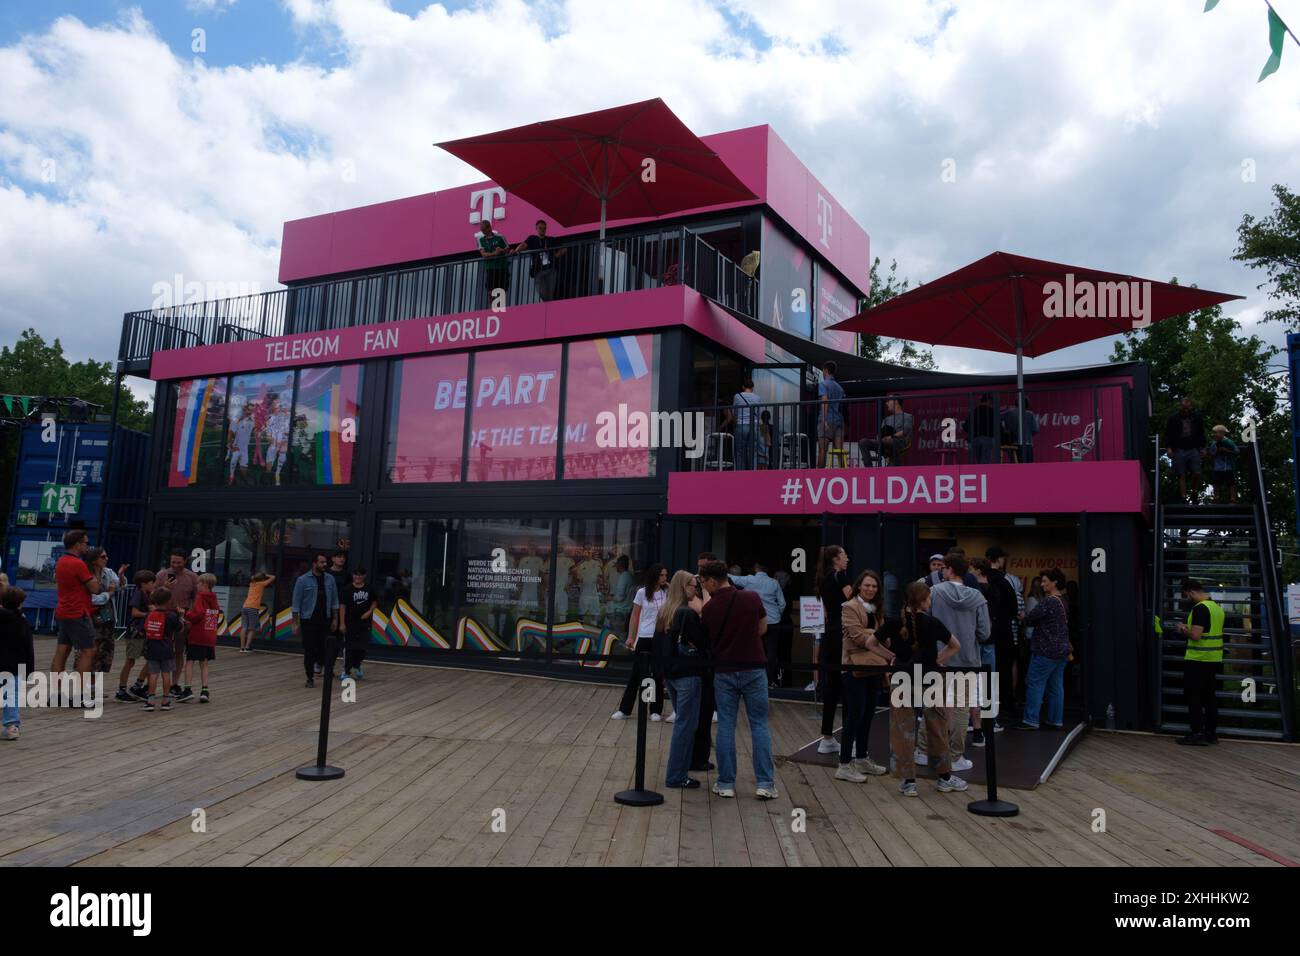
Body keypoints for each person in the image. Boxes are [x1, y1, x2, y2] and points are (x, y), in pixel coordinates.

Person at [873, 581, 966, 795]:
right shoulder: (933, 623)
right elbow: (956, 645)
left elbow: (871, 643)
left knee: (902, 729)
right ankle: (944, 778)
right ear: (923, 601)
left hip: (902, 677)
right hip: (930, 678)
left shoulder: (894, 622)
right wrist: (937, 658)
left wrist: (892, 658)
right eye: (929, 598)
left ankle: (909, 782)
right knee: (937, 727)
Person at [699, 560, 776, 799]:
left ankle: (726, 783)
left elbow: (708, 639)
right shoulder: (751, 598)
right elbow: (763, 628)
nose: (704, 587)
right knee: (759, 725)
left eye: (704, 582)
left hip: (724, 671)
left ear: (712, 580)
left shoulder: (709, 609)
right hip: (753, 666)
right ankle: (765, 783)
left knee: (725, 727)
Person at [915, 553, 987, 772]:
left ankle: (922, 751)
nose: (941, 572)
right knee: (961, 710)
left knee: (933, 705)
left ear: (950, 570)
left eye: (944, 568)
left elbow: (924, 621)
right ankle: (956, 758)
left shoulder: (934, 593)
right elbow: (984, 633)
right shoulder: (977, 597)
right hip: (968, 660)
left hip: (939, 659)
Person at [835, 569, 890, 782]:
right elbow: (857, 637)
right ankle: (844, 763)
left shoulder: (876, 609)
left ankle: (861, 758)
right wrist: (875, 636)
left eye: (874, 586)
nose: (870, 589)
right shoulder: (849, 607)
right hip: (854, 667)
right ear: (859, 585)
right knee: (854, 716)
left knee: (868, 714)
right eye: (867, 585)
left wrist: (873, 637)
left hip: (874, 667)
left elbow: (886, 639)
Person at [657, 571, 708, 788]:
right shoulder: (687, 613)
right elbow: (703, 642)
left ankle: (680, 771)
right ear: (683, 586)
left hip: (671, 674)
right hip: (687, 673)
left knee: (684, 723)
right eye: (693, 586)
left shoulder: (666, 611)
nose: (695, 590)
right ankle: (676, 775)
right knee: (686, 725)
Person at [1169, 579, 1224, 746]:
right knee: (1209, 698)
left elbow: (1196, 636)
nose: (1188, 599)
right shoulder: (1216, 608)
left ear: (1191, 591)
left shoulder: (1200, 609)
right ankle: (1211, 733)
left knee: (1194, 697)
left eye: (1187, 596)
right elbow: (1208, 630)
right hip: (1213, 659)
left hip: (1198, 660)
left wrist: (1182, 629)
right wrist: (1191, 626)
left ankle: (1196, 733)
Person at [50, 529, 101, 706]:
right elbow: (95, 588)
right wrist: (97, 571)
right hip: (78, 612)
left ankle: (55, 694)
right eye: (86, 543)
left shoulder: (61, 561)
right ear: (78, 544)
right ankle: (80, 695)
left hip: (63, 611)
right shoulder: (78, 564)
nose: (88, 546)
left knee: (61, 652)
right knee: (88, 651)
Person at [1016, 568, 1071, 731]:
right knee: (1056, 686)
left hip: (1045, 650)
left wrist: (1022, 617)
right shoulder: (1063, 600)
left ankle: (1030, 720)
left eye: (1045, 581)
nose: (1042, 584)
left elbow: (1031, 619)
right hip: (1061, 650)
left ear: (1054, 583)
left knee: (1034, 683)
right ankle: (1056, 720)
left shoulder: (1048, 601)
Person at [612, 564, 668, 721]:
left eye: (666, 575)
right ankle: (624, 710)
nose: (665, 578)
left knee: (657, 674)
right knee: (637, 674)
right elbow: (635, 616)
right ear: (655, 576)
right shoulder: (642, 592)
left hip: (659, 637)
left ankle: (655, 710)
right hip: (644, 637)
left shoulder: (667, 592)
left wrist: (668, 586)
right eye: (662, 575)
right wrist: (630, 637)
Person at [814, 545, 852, 753]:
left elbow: (826, 612)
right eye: (844, 555)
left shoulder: (823, 578)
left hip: (830, 633)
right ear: (836, 559)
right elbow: (855, 603)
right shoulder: (841, 577)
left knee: (831, 685)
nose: (847, 559)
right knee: (848, 684)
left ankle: (826, 737)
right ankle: (849, 738)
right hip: (843, 634)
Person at [729, 561, 786, 686]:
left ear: (755, 569)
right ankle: (770, 680)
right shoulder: (774, 583)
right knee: (772, 652)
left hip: (756, 621)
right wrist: (777, 616)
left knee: (755, 650)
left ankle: (755, 680)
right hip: (773, 621)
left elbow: (731, 578)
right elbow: (782, 604)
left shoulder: (749, 580)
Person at [982, 546, 1019, 737]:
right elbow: (1013, 608)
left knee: (986, 673)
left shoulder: (981, 581)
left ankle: (985, 712)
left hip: (984, 633)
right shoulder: (1005, 581)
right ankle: (1000, 709)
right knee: (1002, 670)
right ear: (999, 559)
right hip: (1003, 632)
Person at [292, 553, 339, 688]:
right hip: (308, 619)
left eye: (325, 562)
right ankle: (310, 677)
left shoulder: (330, 579)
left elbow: (335, 600)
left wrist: (335, 619)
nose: (325, 565)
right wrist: (295, 622)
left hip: (325, 619)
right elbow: (296, 603)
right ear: (314, 563)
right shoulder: (302, 580)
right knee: (309, 649)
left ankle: (325, 669)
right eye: (322, 562)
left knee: (325, 647)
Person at [156, 551, 199, 692]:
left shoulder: (192, 577)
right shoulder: (161, 575)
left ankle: (174, 683)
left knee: (179, 651)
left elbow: (196, 599)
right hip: (163, 616)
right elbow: (153, 595)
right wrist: (165, 587)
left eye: (178, 562)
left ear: (185, 561)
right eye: (172, 562)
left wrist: (190, 616)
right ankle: (151, 683)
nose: (175, 565)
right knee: (158, 650)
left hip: (182, 617)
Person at [85, 548, 126, 693]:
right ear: (94, 560)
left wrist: (121, 576)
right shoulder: (86, 575)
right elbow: (92, 600)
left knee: (104, 653)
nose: (106, 558)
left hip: (107, 619)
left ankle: (93, 687)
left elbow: (119, 587)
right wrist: (108, 594)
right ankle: (85, 687)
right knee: (91, 652)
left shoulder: (108, 572)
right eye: (103, 556)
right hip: (91, 619)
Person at [0, 587, 35, 740]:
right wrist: (29, 670)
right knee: (12, 696)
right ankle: (11, 726)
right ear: (21, 603)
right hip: (15, 666)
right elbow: (29, 647)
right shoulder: (23, 622)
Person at [116, 570, 156, 702]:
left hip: (143, 631)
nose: (153, 585)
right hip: (136, 632)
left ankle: (138, 685)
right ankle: (121, 689)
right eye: (151, 583)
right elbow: (134, 612)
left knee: (151, 659)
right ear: (143, 584)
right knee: (130, 660)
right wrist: (148, 614)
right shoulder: (139, 594)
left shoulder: (147, 594)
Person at [182, 573, 220, 703]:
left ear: (204, 584)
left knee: (190, 661)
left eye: (198, 583)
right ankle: (205, 690)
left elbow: (197, 614)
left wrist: (186, 614)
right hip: (209, 636)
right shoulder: (214, 598)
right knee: (204, 663)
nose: (197, 585)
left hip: (197, 634)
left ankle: (187, 689)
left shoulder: (200, 596)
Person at [140, 587, 180, 711]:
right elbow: (179, 628)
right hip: (166, 647)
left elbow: (143, 629)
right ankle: (165, 700)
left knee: (153, 674)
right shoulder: (171, 615)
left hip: (152, 647)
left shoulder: (149, 615)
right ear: (168, 601)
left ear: (154, 601)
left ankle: (150, 701)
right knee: (166, 674)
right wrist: (181, 616)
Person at [1164, 397, 1207, 503]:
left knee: (1197, 472)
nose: (1186, 410)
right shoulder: (1173, 418)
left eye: (1187, 408)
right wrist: (1169, 448)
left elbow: (1201, 433)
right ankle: (1183, 497)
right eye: (1183, 408)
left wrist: (1203, 447)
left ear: (1191, 407)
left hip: (1193, 447)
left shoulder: (1196, 417)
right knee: (1181, 474)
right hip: (1179, 448)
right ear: (1180, 407)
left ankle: (1194, 492)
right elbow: (1168, 434)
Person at [513, 219, 566, 301]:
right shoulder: (532, 238)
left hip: (550, 269)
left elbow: (564, 249)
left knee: (550, 291)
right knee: (542, 291)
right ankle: (547, 305)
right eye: (540, 228)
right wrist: (516, 251)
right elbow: (523, 245)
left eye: (544, 228)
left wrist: (555, 256)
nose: (542, 230)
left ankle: (548, 307)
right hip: (538, 270)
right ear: (536, 228)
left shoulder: (550, 239)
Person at [338, 568, 376, 680]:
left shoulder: (369, 589)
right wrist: (342, 623)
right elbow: (342, 607)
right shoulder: (347, 589)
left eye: (360, 575)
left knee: (363, 647)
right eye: (355, 575)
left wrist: (369, 612)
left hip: (364, 623)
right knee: (349, 648)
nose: (357, 577)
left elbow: (374, 602)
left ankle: (357, 665)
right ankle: (346, 671)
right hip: (350, 622)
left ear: (364, 576)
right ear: (353, 576)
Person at [860, 396, 912, 466]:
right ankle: (869, 469)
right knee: (863, 442)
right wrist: (879, 438)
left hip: (899, 442)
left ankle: (896, 464)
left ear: (895, 401)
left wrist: (891, 437)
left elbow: (905, 431)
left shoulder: (907, 416)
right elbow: (881, 433)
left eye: (888, 401)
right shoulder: (886, 419)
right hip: (884, 442)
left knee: (890, 441)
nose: (886, 403)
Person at [817, 361, 846, 468]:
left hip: (827, 419)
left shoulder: (823, 384)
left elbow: (824, 400)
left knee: (822, 449)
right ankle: (845, 474)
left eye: (822, 371)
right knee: (839, 450)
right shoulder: (840, 388)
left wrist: (824, 420)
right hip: (839, 421)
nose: (822, 374)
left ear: (825, 370)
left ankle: (819, 476)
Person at [476, 219, 511, 306]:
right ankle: (493, 308)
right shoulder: (481, 240)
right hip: (490, 267)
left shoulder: (500, 237)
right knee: (490, 290)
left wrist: (502, 250)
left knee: (501, 290)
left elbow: (507, 249)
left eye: (484, 229)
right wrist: (495, 253)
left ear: (490, 227)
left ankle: (499, 308)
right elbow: (483, 254)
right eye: (482, 230)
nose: (483, 232)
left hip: (502, 266)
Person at [241, 572, 275, 652]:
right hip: (253, 608)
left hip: (245, 606)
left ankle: (242, 647)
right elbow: (273, 577)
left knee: (244, 627)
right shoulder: (261, 584)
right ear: (262, 579)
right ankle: (247, 647)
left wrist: (257, 576)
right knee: (251, 628)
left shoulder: (251, 584)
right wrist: (265, 575)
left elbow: (252, 577)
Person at [732, 379, 761, 470]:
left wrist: (734, 424)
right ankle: (753, 473)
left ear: (743, 387)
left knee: (740, 452)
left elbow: (735, 413)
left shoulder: (737, 396)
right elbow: (758, 414)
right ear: (752, 387)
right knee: (753, 451)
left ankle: (741, 474)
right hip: (754, 425)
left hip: (741, 425)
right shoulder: (757, 398)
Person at [1206, 425, 1238, 504]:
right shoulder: (1214, 444)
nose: (1213, 435)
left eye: (1215, 433)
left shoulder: (1229, 442)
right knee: (1216, 483)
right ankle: (1216, 497)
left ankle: (1233, 498)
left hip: (1228, 467)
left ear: (1221, 433)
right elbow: (1211, 454)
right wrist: (1217, 451)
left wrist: (1227, 451)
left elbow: (1237, 451)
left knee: (1231, 483)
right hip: (1218, 467)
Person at [1001, 396, 1039, 461]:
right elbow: (1035, 429)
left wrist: (1005, 429)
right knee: (1029, 468)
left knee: (1015, 467)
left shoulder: (1009, 412)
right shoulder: (1030, 414)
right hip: (1027, 444)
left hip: (1014, 444)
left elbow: (997, 417)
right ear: (1027, 404)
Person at [965, 393, 999, 464]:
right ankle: (984, 474)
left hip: (975, 439)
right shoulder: (992, 411)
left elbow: (965, 426)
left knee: (978, 460)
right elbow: (997, 426)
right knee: (985, 461)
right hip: (988, 438)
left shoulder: (974, 412)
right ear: (989, 401)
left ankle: (980, 473)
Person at [608, 555, 635, 641]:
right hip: (627, 610)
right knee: (623, 636)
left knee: (617, 638)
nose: (616, 568)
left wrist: (609, 597)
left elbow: (619, 597)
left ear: (620, 565)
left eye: (617, 565)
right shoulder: (629, 576)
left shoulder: (624, 576)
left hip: (621, 611)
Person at [227, 403, 254, 485]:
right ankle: (231, 477)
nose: (250, 411)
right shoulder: (237, 420)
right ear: (244, 410)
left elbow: (254, 431)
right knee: (234, 459)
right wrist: (231, 447)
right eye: (249, 409)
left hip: (245, 448)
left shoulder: (252, 421)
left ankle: (243, 481)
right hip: (236, 446)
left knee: (244, 466)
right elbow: (231, 433)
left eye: (252, 410)